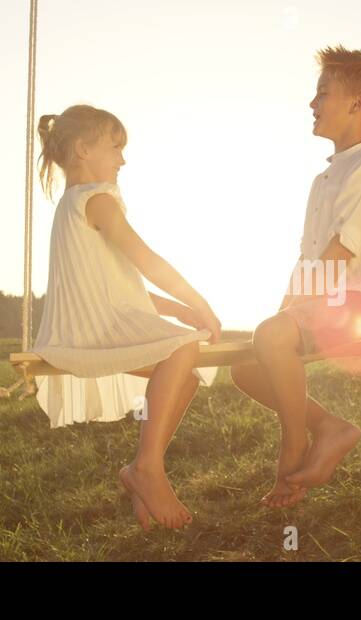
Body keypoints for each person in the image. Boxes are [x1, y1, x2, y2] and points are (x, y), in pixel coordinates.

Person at [231, 47, 361, 508]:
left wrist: (288, 318)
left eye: (322, 94)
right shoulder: (325, 179)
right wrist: (282, 314)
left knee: (271, 338)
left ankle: (292, 451)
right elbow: (308, 258)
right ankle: (329, 427)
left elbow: (339, 253)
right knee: (246, 365)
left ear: (357, 105)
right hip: (330, 304)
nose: (312, 104)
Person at [31, 105, 222, 530]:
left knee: (186, 373)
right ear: (83, 149)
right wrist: (200, 301)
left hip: (93, 322)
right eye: (115, 148)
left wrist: (179, 310)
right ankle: (148, 469)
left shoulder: (71, 205)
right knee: (184, 349)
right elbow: (145, 260)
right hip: (91, 329)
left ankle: (141, 471)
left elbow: (119, 284)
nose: (122, 159)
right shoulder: (97, 201)